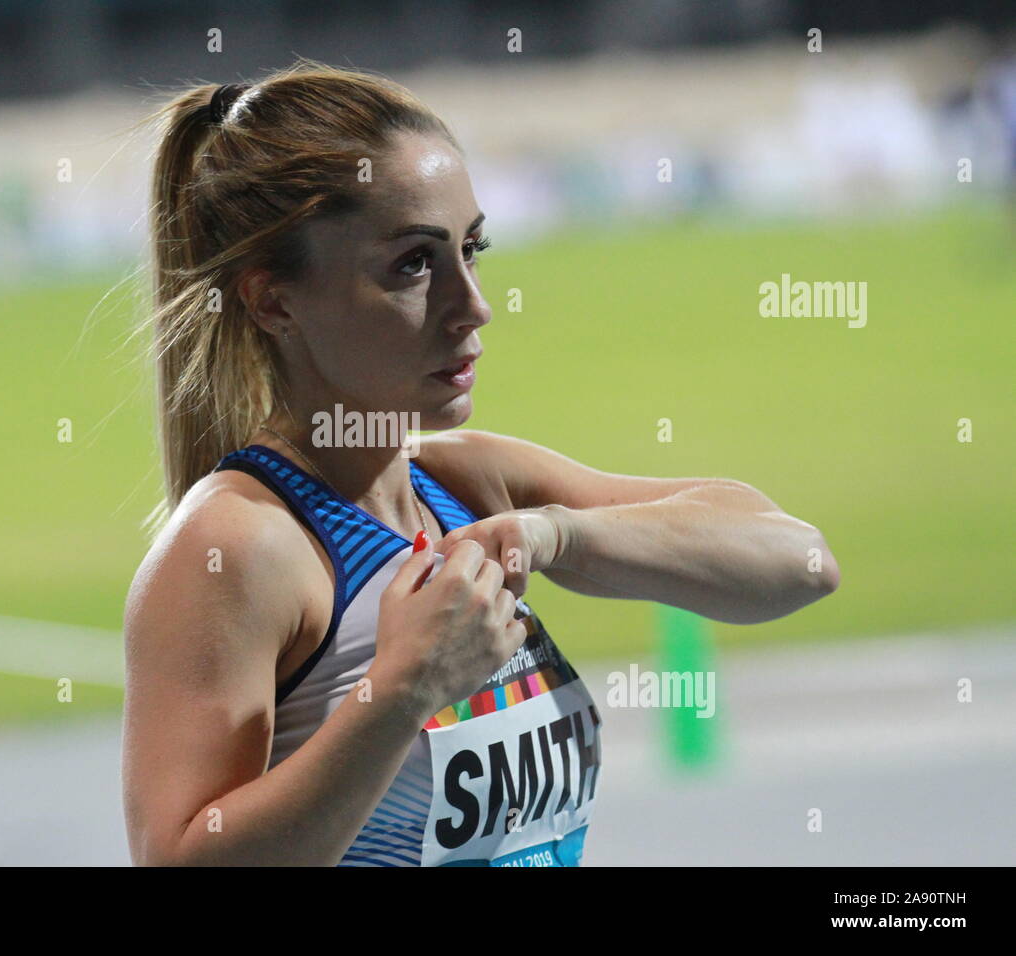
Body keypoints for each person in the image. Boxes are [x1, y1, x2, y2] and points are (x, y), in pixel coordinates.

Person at [121, 59, 840, 867]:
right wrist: (401, 692)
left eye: (473, 248)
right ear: (274, 300)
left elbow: (802, 561)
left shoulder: (467, 482)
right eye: (414, 264)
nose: (474, 305)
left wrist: (557, 536)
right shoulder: (241, 546)